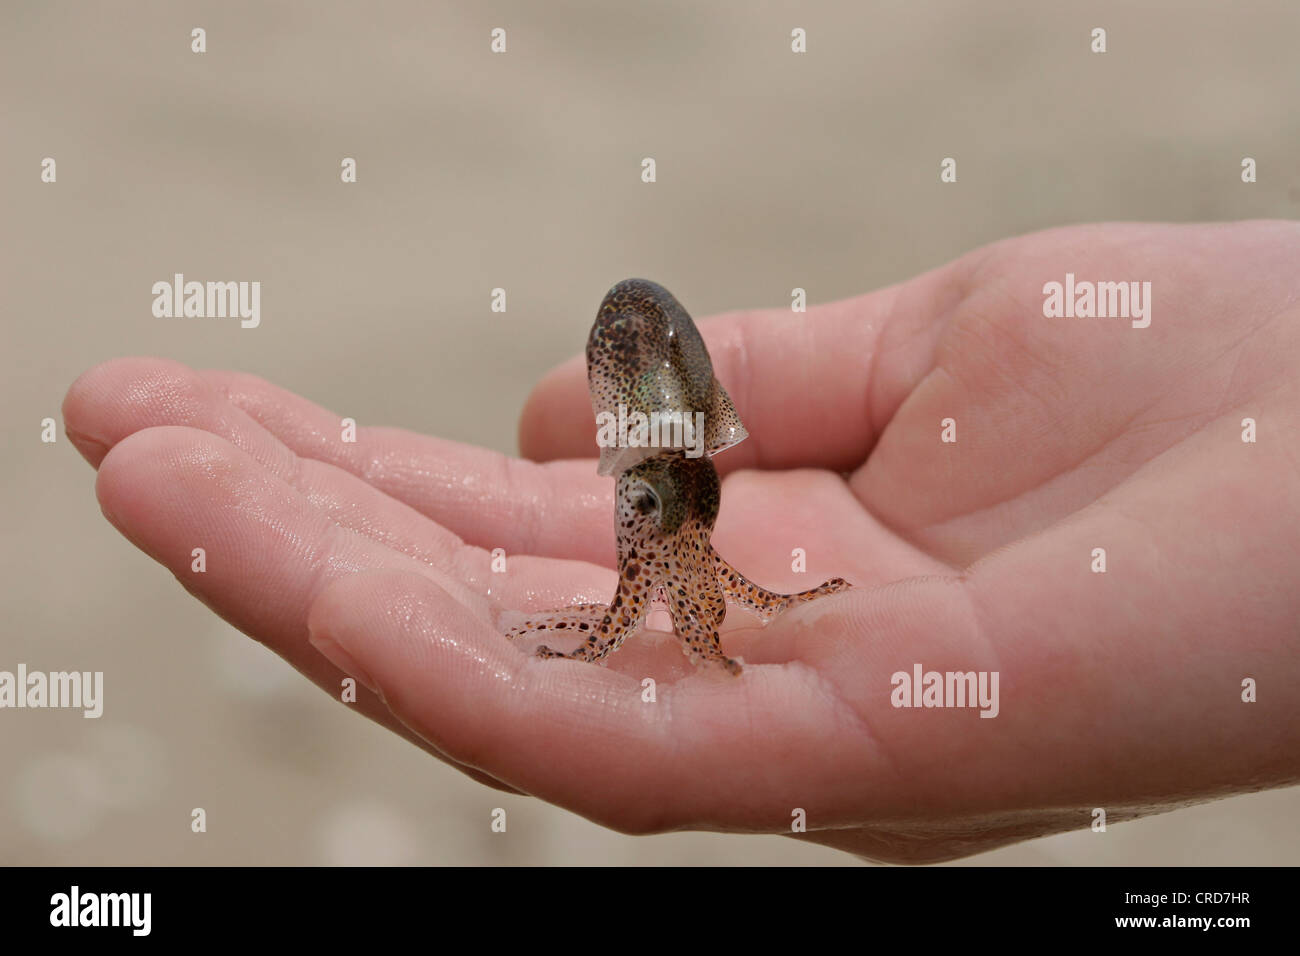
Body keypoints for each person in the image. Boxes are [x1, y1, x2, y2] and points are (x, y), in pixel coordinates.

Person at [62, 221, 1300, 863]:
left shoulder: (662, 419)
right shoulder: (648, 402)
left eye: (669, 514)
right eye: (658, 513)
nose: (667, 547)